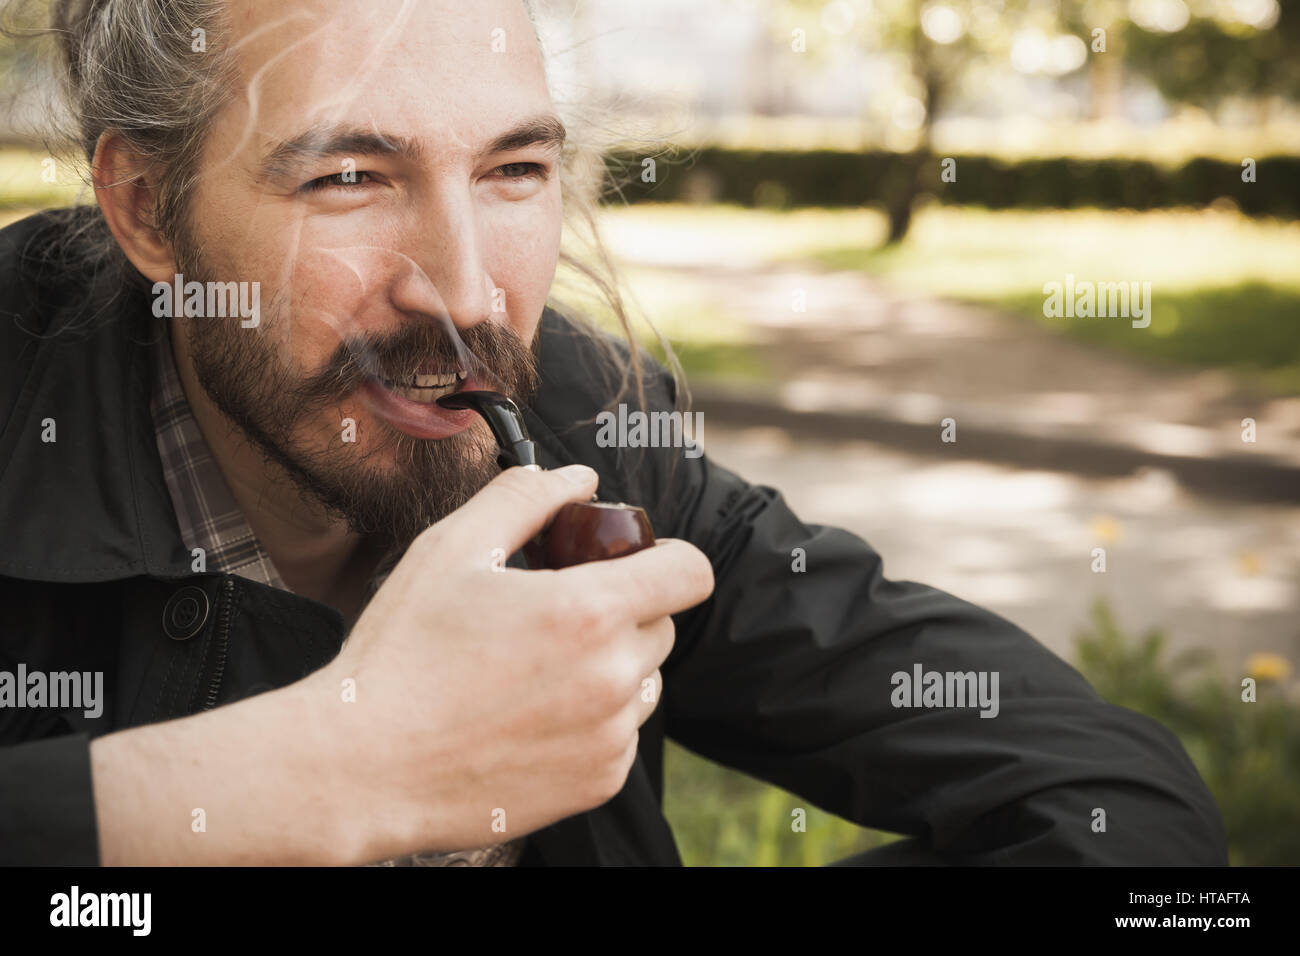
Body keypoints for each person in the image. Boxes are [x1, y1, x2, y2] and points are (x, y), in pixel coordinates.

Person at [0, 0, 1227, 866]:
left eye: (515, 170)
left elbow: (1112, 798)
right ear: (148, 210)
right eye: (349, 179)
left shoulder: (589, 433)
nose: (468, 294)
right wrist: (336, 764)